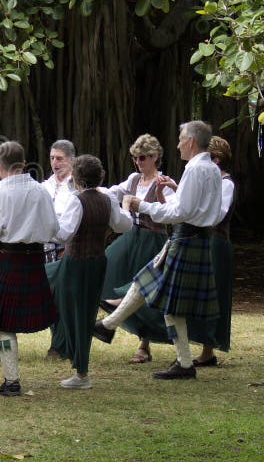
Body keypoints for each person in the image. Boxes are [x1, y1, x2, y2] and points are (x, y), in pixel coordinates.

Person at [94, 121, 223, 380]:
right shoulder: (211, 168)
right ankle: (107, 325)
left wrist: (143, 206)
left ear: (190, 141)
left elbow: (180, 212)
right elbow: (207, 211)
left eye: (181, 139)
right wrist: (171, 196)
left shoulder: (195, 169)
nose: (178, 144)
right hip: (194, 237)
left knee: (170, 305)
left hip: (187, 238)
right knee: (144, 281)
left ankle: (183, 363)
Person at [0, 141, 59, 396]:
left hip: (5, 260)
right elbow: (52, 229)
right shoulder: (41, 192)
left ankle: (11, 381)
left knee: (3, 324)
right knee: (3, 320)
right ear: (23, 163)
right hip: (33, 261)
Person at [51, 155, 132, 389]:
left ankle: (81, 372)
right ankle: (78, 364)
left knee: (73, 312)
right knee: (83, 313)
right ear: (100, 177)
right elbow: (123, 225)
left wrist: (47, 223)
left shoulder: (77, 201)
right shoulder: (107, 199)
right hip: (97, 261)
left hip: (76, 263)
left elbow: (64, 234)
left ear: (77, 178)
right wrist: (126, 209)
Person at [99, 134, 173, 364]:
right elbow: (113, 192)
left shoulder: (163, 182)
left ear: (154, 157)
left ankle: (144, 345)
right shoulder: (134, 179)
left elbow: (171, 212)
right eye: (135, 158)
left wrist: (144, 205)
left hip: (153, 239)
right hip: (132, 238)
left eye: (143, 158)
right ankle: (113, 310)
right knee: (104, 266)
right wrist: (90, 189)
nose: (138, 162)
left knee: (145, 291)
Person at [187, 136, 235, 366]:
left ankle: (208, 349)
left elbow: (218, 214)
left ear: (215, 160)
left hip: (216, 243)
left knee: (214, 295)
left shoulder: (226, 184)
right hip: (203, 241)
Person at [42, 140, 78, 358]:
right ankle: (57, 340)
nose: (55, 163)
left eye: (60, 159)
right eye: (52, 158)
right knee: (50, 293)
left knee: (64, 294)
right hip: (46, 247)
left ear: (71, 160)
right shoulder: (45, 186)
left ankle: (62, 344)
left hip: (67, 245)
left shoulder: (76, 186)